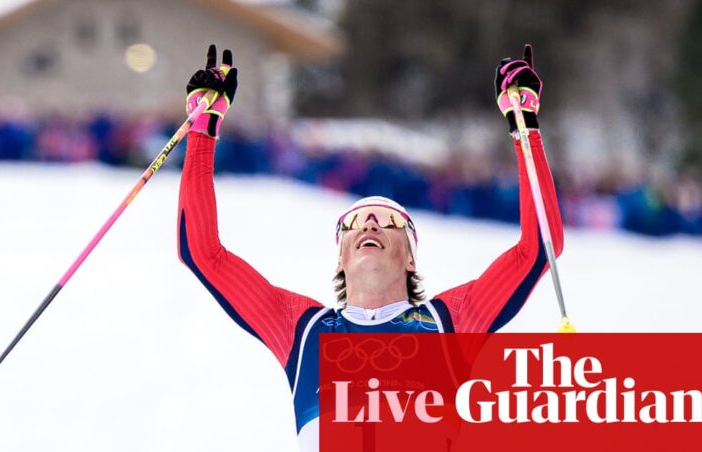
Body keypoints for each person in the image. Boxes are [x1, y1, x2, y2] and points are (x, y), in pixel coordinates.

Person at [177, 44, 563, 451]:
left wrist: (526, 126)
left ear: (411, 258)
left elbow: (539, 248)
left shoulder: (450, 322)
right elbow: (201, 252)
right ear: (341, 258)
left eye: (389, 220)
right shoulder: (303, 331)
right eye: (354, 224)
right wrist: (203, 129)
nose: (371, 223)